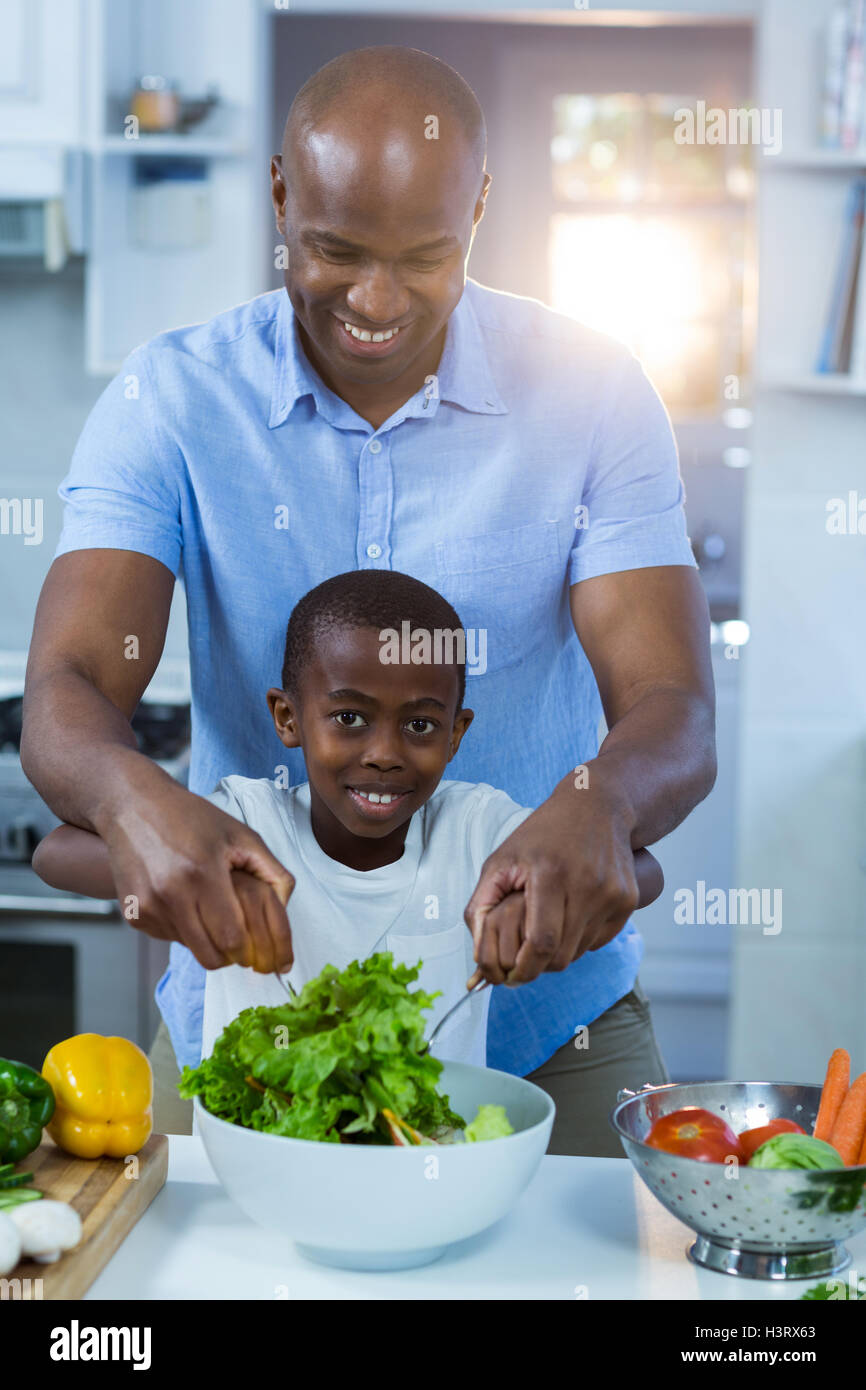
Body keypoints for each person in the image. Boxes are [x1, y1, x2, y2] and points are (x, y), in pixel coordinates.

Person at [21, 46, 715, 1156]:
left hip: (548, 1030)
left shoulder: (592, 390)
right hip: (249, 1034)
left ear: (480, 208)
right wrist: (126, 797)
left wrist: (603, 801)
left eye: (425, 257)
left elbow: (673, 704)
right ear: (281, 198)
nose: (377, 301)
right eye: (334, 250)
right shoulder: (172, 397)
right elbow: (66, 687)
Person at [33, 569, 664, 1080]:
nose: (384, 751)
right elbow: (53, 854)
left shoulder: (475, 827)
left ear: (455, 736)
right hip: (257, 1147)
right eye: (349, 719)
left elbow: (644, 871)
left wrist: (543, 896)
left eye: (419, 726)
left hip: (424, 1148)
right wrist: (198, 876)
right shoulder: (245, 821)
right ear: (287, 718)